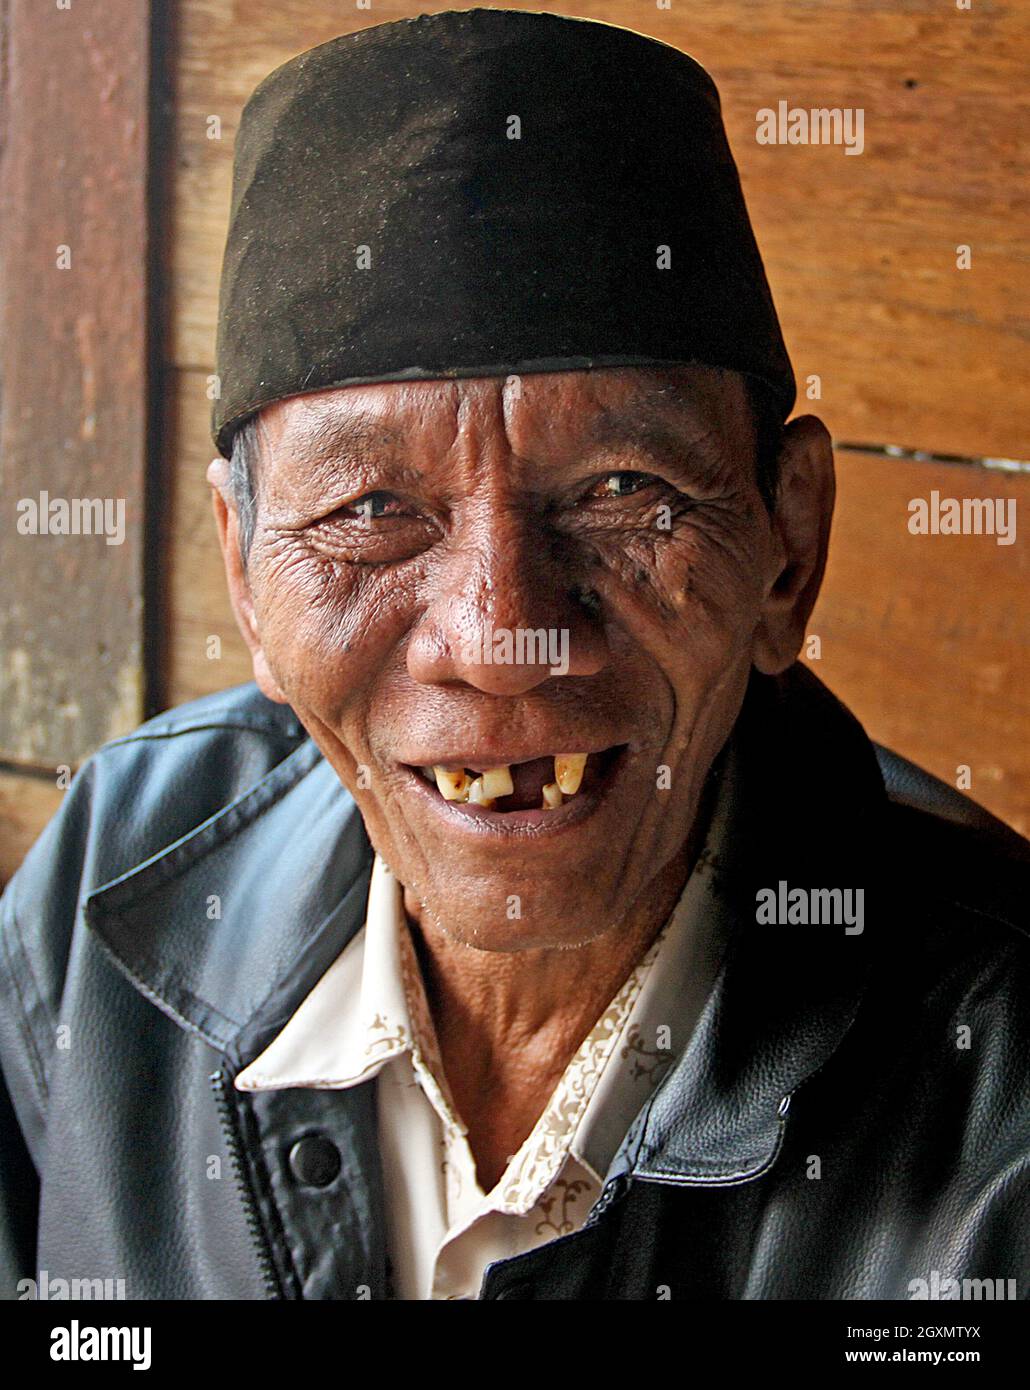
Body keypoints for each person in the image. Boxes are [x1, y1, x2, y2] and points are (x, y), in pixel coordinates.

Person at [1, 10, 1026, 1301]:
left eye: (618, 488)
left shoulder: (995, 1078)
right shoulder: (124, 853)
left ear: (787, 544)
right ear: (245, 574)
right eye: (370, 510)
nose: (499, 637)